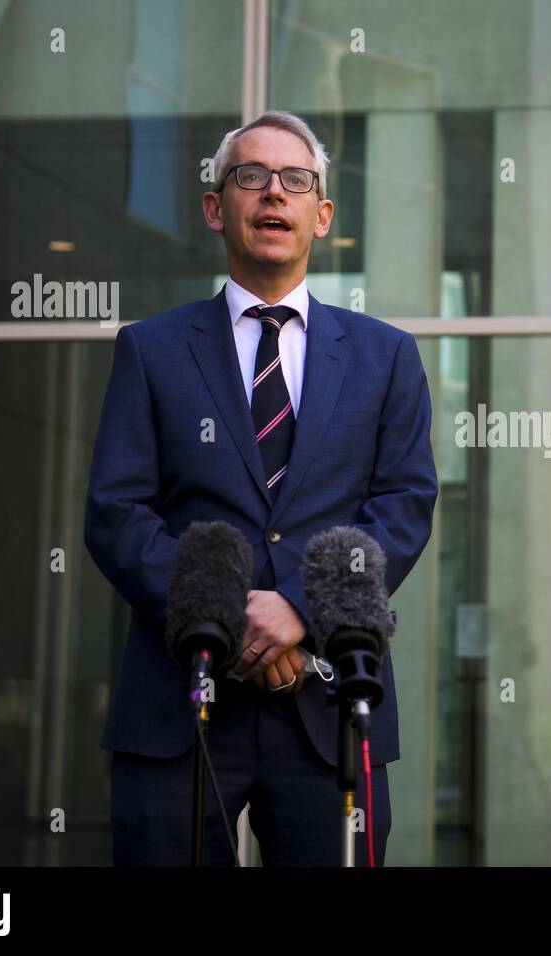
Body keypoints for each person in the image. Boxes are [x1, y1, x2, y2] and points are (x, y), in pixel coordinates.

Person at [84, 111, 438, 865]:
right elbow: (117, 513)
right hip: (182, 697)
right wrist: (229, 616)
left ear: (323, 214)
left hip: (330, 703)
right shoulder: (150, 350)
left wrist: (300, 611)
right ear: (216, 207)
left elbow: (403, 509)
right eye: (252, 177)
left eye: (296, 180)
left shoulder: (386, 357)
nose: (274, 195)